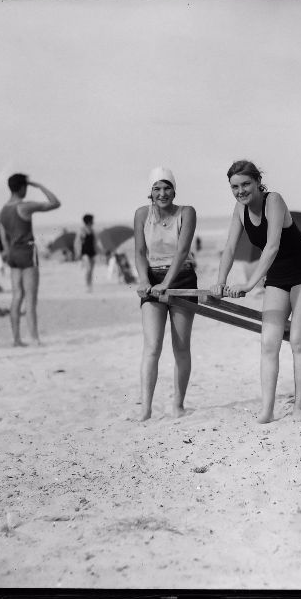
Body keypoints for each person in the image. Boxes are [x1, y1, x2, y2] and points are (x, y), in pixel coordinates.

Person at [215, 160, 301, 424]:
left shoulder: (273, 200)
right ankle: (267, 409)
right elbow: (230, 248)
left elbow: (272, 245)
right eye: (234, 187)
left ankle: (300, 406)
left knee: (298, 340)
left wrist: (249, 284)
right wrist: (220, 281)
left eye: (246, 184)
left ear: (257, 182)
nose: (240, 191)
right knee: (268, 342)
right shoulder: (239, 210)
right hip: (278, 273)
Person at [134, 166, 198, 421]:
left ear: (174, 190)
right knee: (152, 346)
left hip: (182, 276)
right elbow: (140, 252)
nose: (162, 193)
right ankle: (146, 409)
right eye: (157, 188)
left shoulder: (187, 212)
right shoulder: (142, 214)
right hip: (152, 278)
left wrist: (167, 283)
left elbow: (182, 251)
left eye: (167, 188)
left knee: (181, 346)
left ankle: (178, 405)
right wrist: (143, 279)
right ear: (150, 192)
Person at [0, 173, 61, 346]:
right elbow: (55, 203)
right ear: (22, 187)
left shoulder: (3, 211)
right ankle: (34, 338)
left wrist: (9, 254)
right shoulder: (24, 207)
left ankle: (16, 339)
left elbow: (3, 239)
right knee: (31, 298)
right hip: (26, 252)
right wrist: (39, 186)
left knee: (16, 296)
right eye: (26, 186)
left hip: (13, 254)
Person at [74, 214, 103, 292]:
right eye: (92, 220)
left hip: (92, 252)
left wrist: (101, 251)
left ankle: (90, 285)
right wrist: (77, 253)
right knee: (88, 269)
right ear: (89, 221)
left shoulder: (93, 231)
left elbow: (95, 243)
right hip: (84, 253)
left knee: (91, 271)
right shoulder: (82, 230)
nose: (93, 222)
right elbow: (77, 242)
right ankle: (87, 285)